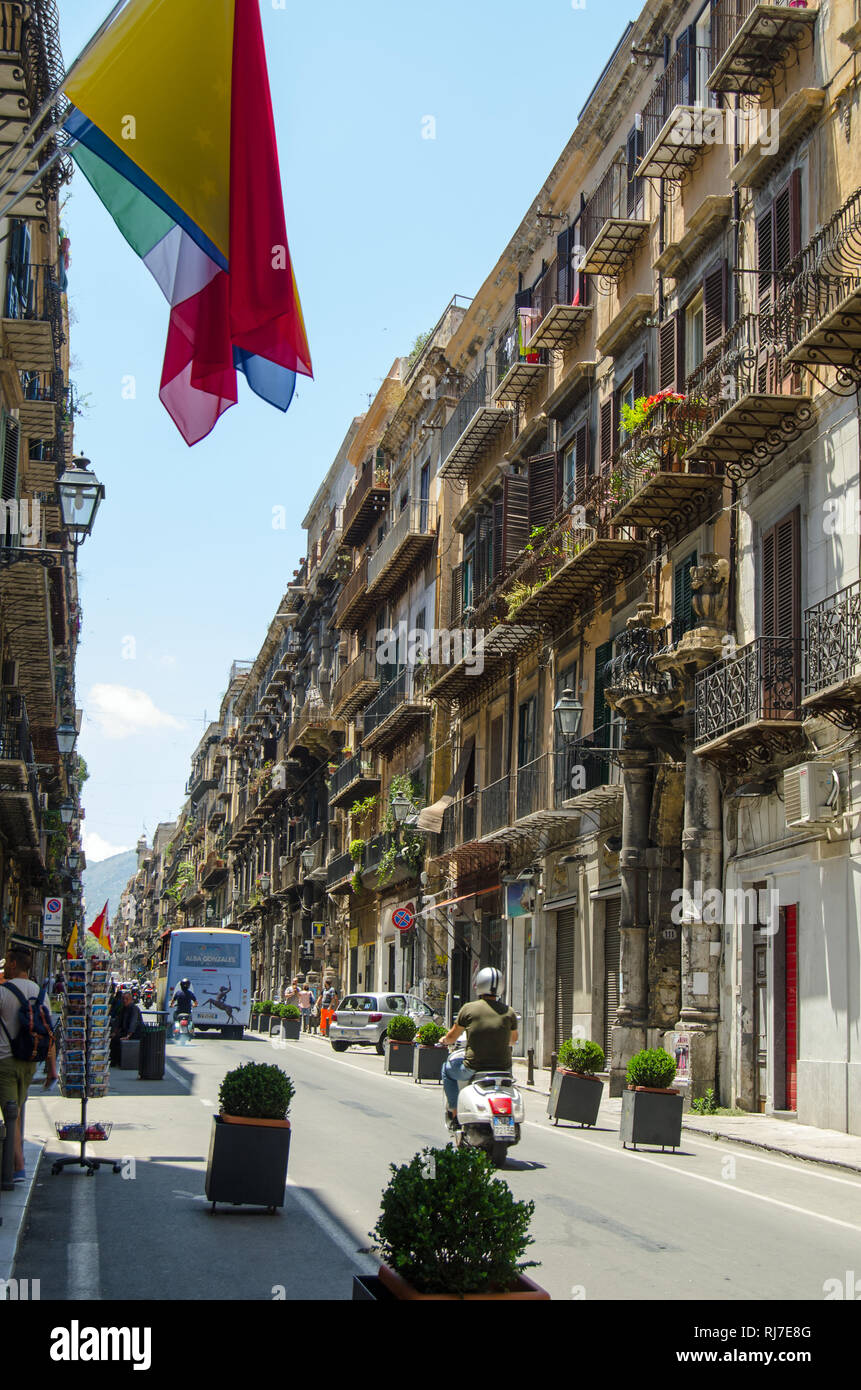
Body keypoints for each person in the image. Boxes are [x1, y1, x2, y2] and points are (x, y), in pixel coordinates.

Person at [0, 947, 53, 1183]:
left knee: (9, 1111)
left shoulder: (3, 992)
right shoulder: (41, 994)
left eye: (5, 962)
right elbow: (49, 1034)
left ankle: (18, 1166)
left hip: (5, 1062)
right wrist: (51, 1068)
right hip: (30, 1062)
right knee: (16, 1111)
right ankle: (14, 1159)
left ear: (13, 964)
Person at [440, 967, 518, 1125]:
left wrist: (444, 1040)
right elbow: (512, 1041)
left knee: (446, 1070)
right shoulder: (509, 1012)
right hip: (503, 1070)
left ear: (479, 984)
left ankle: (454, 1113)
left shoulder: (468, 1009)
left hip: (474, 1068)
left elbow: (452, 1037)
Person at [110, 990, 144, 1065]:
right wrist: (114, 1032)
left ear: (131, 1000)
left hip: (135, 1033)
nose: (125, 1001)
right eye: (123, 999)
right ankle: (115, 1060)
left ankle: (116, 1061)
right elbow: (118, 1021)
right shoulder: (123, 1009)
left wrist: (128, 1035)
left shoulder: (134, 1009)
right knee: (113, 1039)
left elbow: (133, 1022)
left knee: (117, 1040)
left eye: (126, 999)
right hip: (125, 1032)